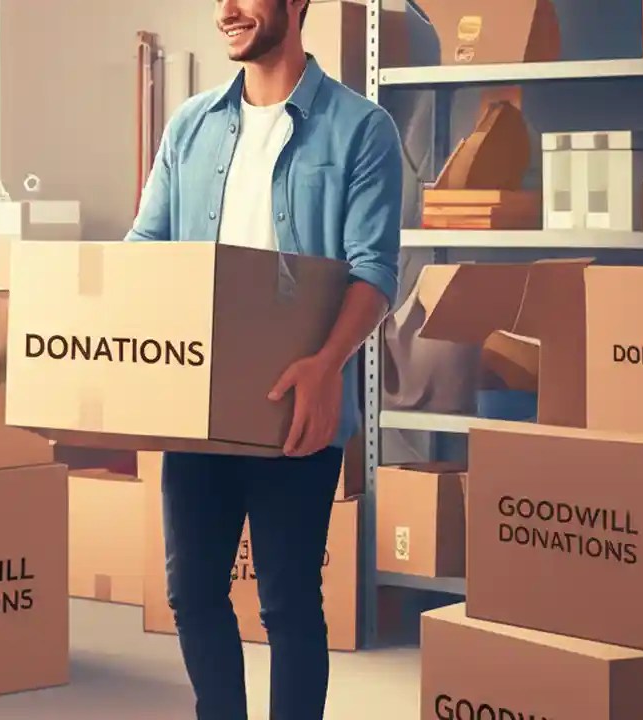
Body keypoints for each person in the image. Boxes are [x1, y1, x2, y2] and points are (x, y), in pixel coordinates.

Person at [124, 0, 402, 717]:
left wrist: (327, 363)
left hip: (296, 406)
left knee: (287, 601)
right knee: (191, 594)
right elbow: (148, 246)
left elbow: (373, 270)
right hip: (199, 406)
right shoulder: (189, 126)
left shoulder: (360, 129)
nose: (226, 10)